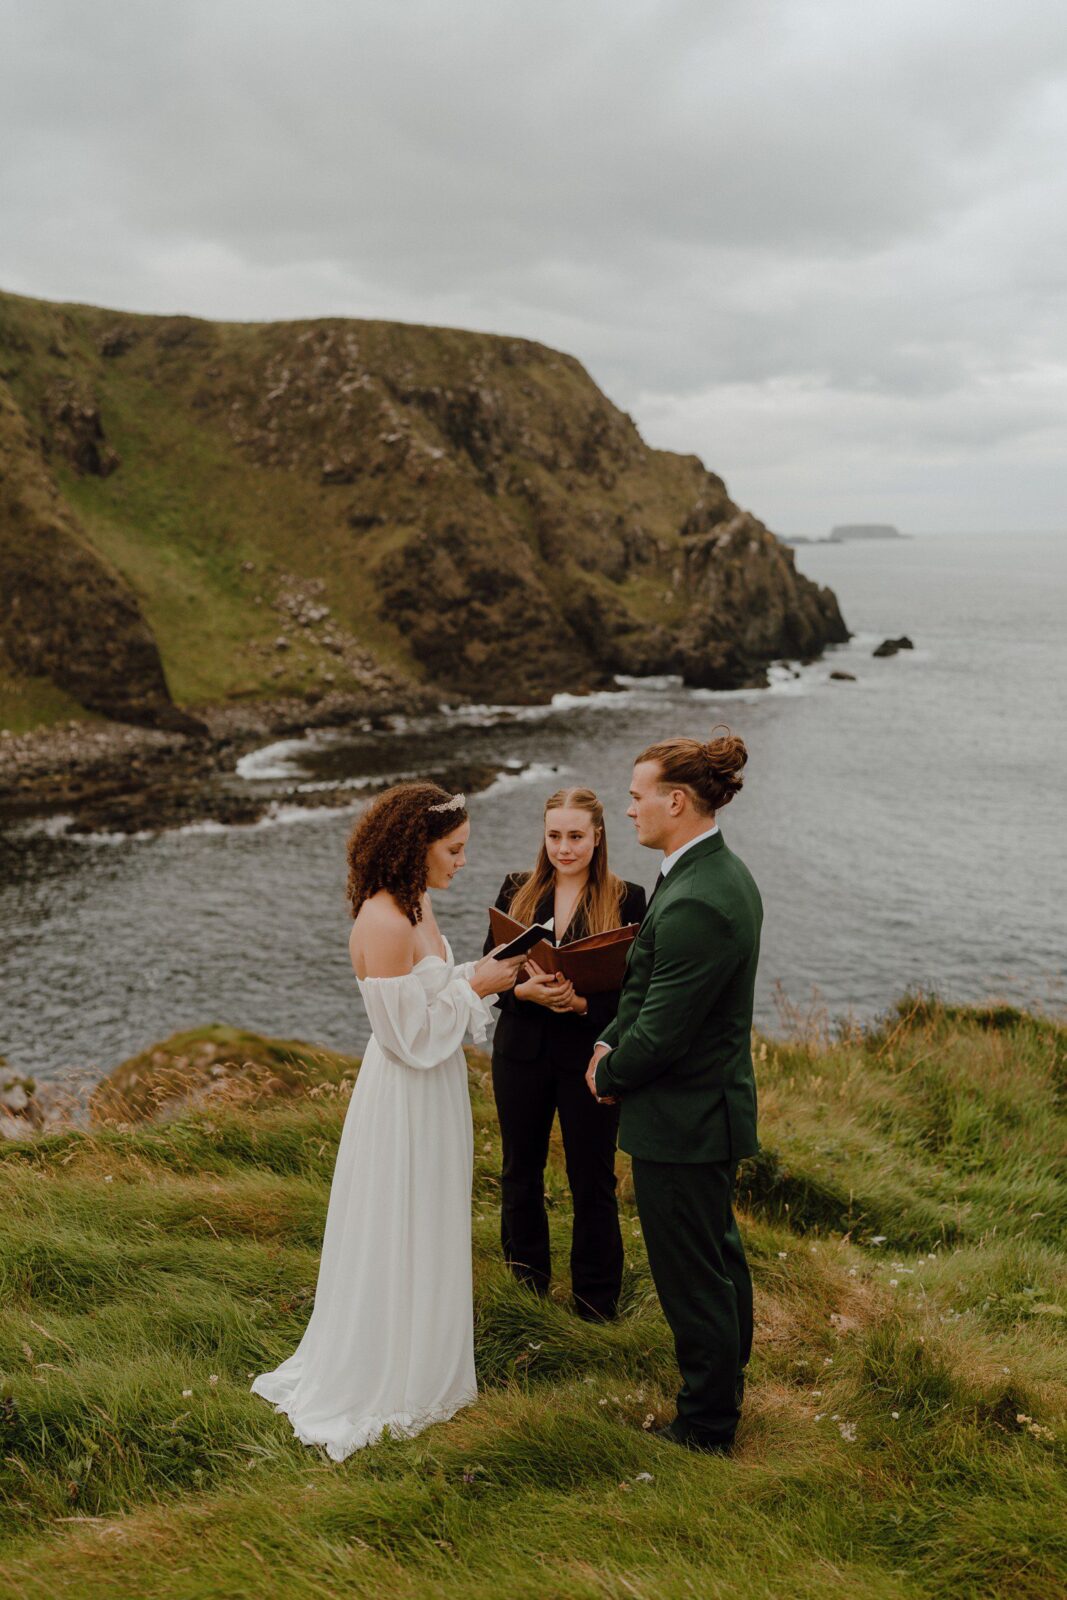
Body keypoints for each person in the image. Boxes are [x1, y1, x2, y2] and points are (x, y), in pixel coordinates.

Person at [251, 783, 523, 1460]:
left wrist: (491, 974)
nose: (461, 862)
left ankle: (427, 1359)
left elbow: (430, 992)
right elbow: (407, 1035)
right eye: (453, 850)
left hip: (433, 1088)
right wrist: (477, 987)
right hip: (405, 1091)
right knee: (401, 1220)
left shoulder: (415, 903)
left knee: (430, 1218)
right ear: (416, 847)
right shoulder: (382, 920)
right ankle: (389, 1374)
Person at [586, 731, 762, 1454]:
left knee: (693, 1276)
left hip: (686, 1120)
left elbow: (663, 1033)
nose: (627, 810)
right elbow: (644, 985)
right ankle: (725, 1386)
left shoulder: (700, 898)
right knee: (713, 1260)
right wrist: (606, 1039)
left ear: (676, 800)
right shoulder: (698, 874)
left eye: (635, 797)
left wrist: (609, 1072)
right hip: (696, 1114)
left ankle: (707, 1425)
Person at [486, 787, 646, 1321]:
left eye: (576, 836)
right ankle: (525, 1294)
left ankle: (596, 1306)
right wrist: (519, 992)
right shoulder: (517, 889)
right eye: (554, 835)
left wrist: (582, 1003)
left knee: (593, 1179)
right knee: (520, 1173)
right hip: (521, 1053)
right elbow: (487, 973)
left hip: (588, 1056)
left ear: (597, 836)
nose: (564, 847)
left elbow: (638, 989)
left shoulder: (629, 898)